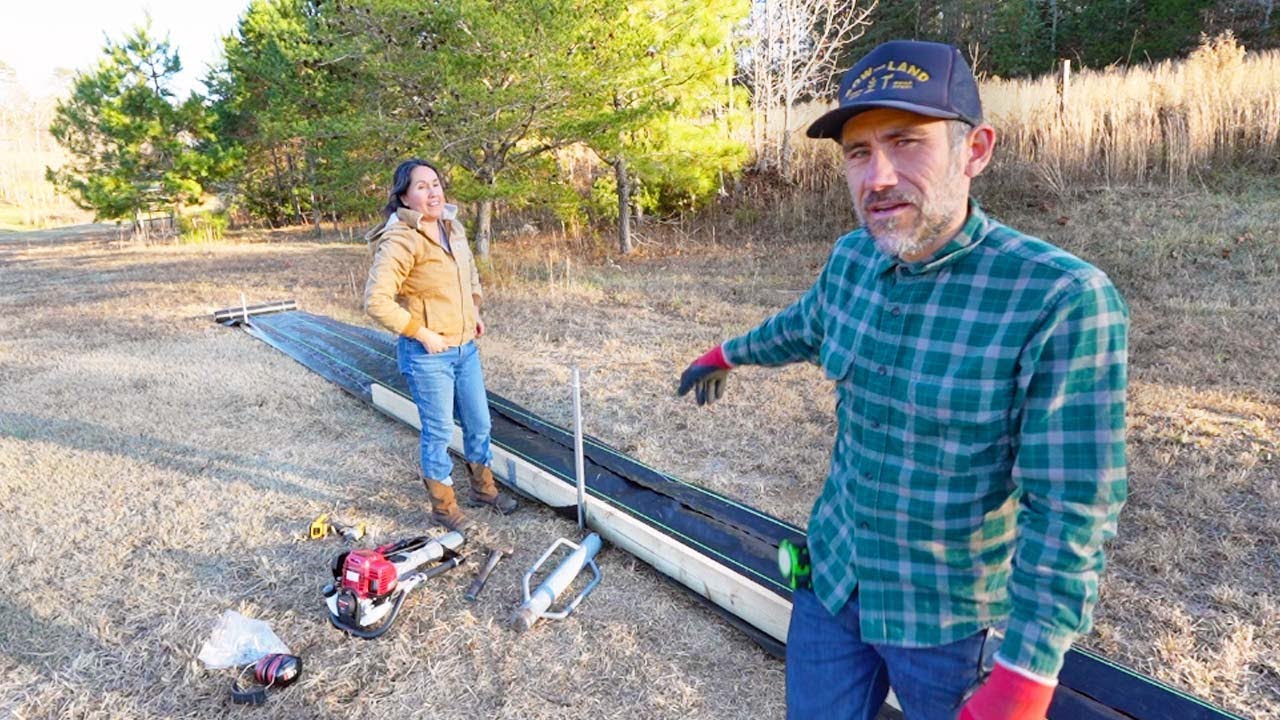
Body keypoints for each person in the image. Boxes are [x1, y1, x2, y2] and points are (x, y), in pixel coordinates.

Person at [678, 41, 1128, 720]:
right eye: (858, 152)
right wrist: (727, 353)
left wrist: (1028, 672)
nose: (878, 176)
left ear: (974, 150)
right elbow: (805, 326)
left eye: (906, 143)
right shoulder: (854, 257)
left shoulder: (1059, 299)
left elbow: (1071, 507)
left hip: (944, 620)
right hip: (833, 582)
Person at [364, 158, 518, 531]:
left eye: (435, 183)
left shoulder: (453, 226)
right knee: (439, 432)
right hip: (428, 355)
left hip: (466, 349)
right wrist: (423, 333)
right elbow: (376, 300)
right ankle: (444, 507)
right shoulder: (401, 238)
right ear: (404, 196)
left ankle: (484, 489)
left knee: (479, 423)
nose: (432, 192)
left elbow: (469, 273)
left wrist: (476, 307)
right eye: (421, 186)